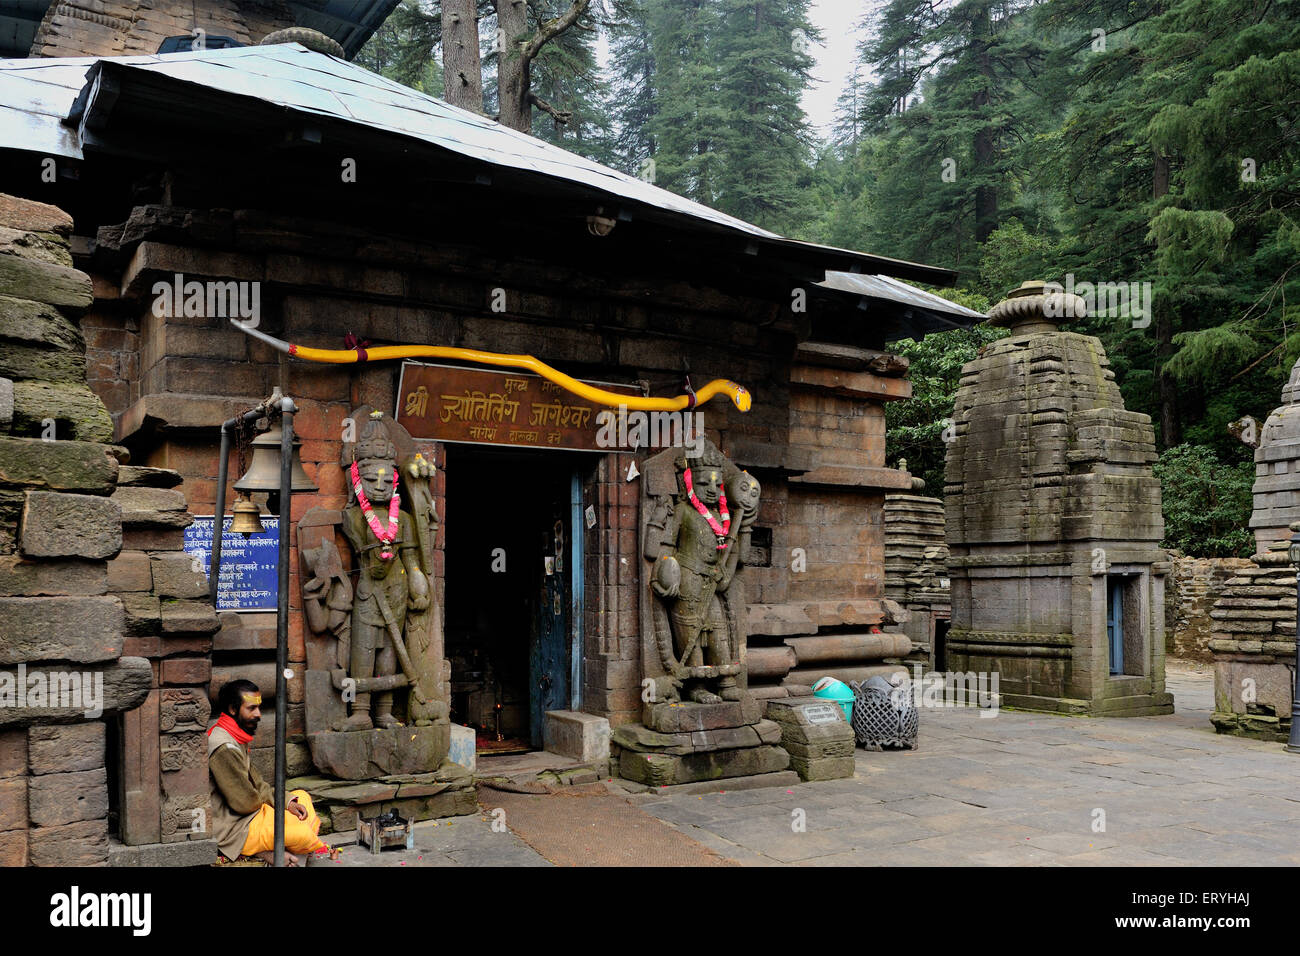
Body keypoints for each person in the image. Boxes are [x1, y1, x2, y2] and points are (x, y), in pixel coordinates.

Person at [207, 679, 338, 865]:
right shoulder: (224, 746)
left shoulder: (235, 736)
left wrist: (286, 803)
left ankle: (277, 849)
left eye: (259, 708)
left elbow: (258, 784)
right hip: (233, 827)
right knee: (301, 833)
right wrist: (272, 806)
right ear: (232, 709)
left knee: (300, 797)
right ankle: (267, 851)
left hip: (249, 812)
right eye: (251, 708)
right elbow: (245, 804)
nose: (258, 714)